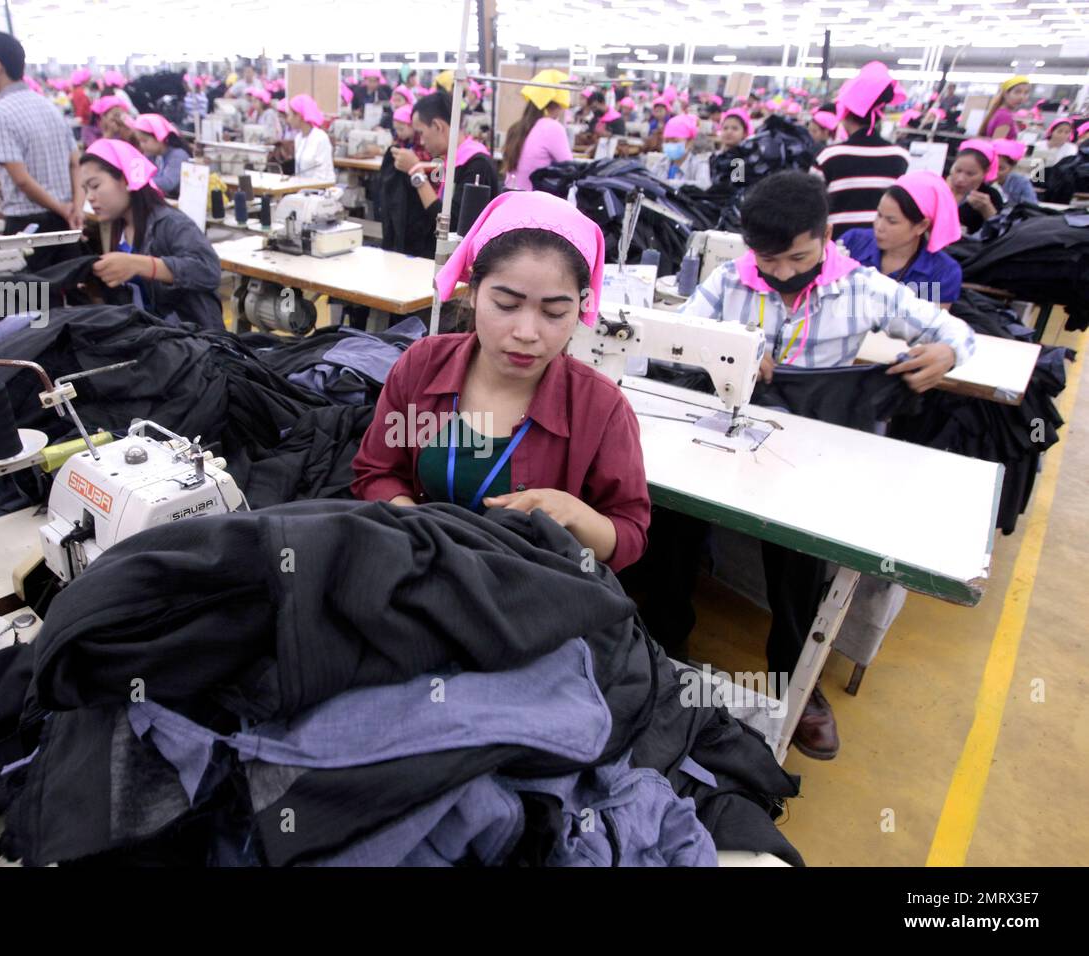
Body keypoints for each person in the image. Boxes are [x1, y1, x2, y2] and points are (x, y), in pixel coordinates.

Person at [644, 171, 975, 759]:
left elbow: (952, 331)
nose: (782, 272)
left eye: (797, 256)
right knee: (668, 520)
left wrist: (948, 351)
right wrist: (728, 345)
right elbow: (677, 338)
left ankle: (796, 678)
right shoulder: (729, 281)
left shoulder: (865, 290)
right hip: (726, 431)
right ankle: (662, 648)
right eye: (767, 259)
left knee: (800, 557)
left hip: (804, 452)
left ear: (826, 235)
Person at [351, 190, 650, 571]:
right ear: (474, 292)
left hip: (525, 596)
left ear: (581, 306)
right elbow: (377, 471)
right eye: (506, 305)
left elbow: (629, 535)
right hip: (416, 567)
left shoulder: (602, 409)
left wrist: (574, 513)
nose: (527, 332)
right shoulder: (422, 367)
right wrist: (417, 527)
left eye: (555, 312)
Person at [79, 139, 223, 331]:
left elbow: (208, 270)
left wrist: (140, 265)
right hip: (156, 338)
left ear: (126, 179)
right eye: (85, 190)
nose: (89, 197)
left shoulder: (171, 223)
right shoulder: (120, 228)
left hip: (196, 342)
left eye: (95, 186)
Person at [0, 30, 83, 267]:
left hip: (27, 227)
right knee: (69, 294)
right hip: (64, 222)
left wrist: (65, 209)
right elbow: (75, 163)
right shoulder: (49, 106)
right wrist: (74, 208)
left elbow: (21, 180)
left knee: (34, 298)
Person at [840, 171, 963, 311]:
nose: (879, 226)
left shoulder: (942, 273)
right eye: (879, 215)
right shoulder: (852, 243)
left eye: (891, 221)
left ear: (921, 226)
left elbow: (930, 326)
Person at [816, 61, 910, 237]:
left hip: (836, 249)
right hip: (882, 247)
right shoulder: (901, 156)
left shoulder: (829, 156)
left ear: (844, 113)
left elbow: (812, 207)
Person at [400, 91, 499, 236]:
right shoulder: (454, 159)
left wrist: (417, 174)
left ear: (437, 126)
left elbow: (452, 226)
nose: (421, 141)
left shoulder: (477, 165)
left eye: (421, 133)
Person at [378, 104, 434, 259]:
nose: (398, 133)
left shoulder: (426, 151)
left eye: (402, 129)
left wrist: (413, 164)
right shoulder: (398, 146)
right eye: (396, 129)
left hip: (416, 205)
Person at [502, 69, 572, 191]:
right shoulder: (552, 128)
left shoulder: (516, 128)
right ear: (559, 104)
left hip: (510, 199)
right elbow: (570, 169)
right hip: (535, 203)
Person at [125, 113, 191, 198]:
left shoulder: (178, 155)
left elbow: (168, 183)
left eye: (144, 141)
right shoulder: (153, 155)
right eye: (140, 142)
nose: (142, 145)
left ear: (159, 137)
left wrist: (141, 182)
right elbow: (143, 171)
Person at [948, 140, 1005, 235]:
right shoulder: (939, 187)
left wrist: (988, 211)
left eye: (970, 174)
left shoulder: (990, 196)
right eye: (958, 170)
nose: (960, 179)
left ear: (985, 172)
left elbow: (1000, 234)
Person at [645, 113, 709, 188]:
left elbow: (704, 186)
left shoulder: (699, 164)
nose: (670, 144)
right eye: (666, 141)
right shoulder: (662, 163)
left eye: (675, 141)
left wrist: (670, 184)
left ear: (689, 142)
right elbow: (648, 180)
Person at [286, 94, 334, 181]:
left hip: (320, 192)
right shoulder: (298, 138)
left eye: (290, 115)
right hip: (303, 190)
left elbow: (322, 176)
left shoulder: (321, 138)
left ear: (299, 116)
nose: (288, 119)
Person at [991, 139, 1038, 208]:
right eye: (992, 168)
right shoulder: (983, 180)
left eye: (1001, 168)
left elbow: (1032, 207)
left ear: (1011, 168)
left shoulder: (1020, 182)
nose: (996, 172)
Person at [982, 76, 1030, 140]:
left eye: (1026, 93)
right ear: (1005, 94)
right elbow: (997, 145)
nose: (1022, 97)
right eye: (1017, 92)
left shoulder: (1000, 112)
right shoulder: (1005, 115)